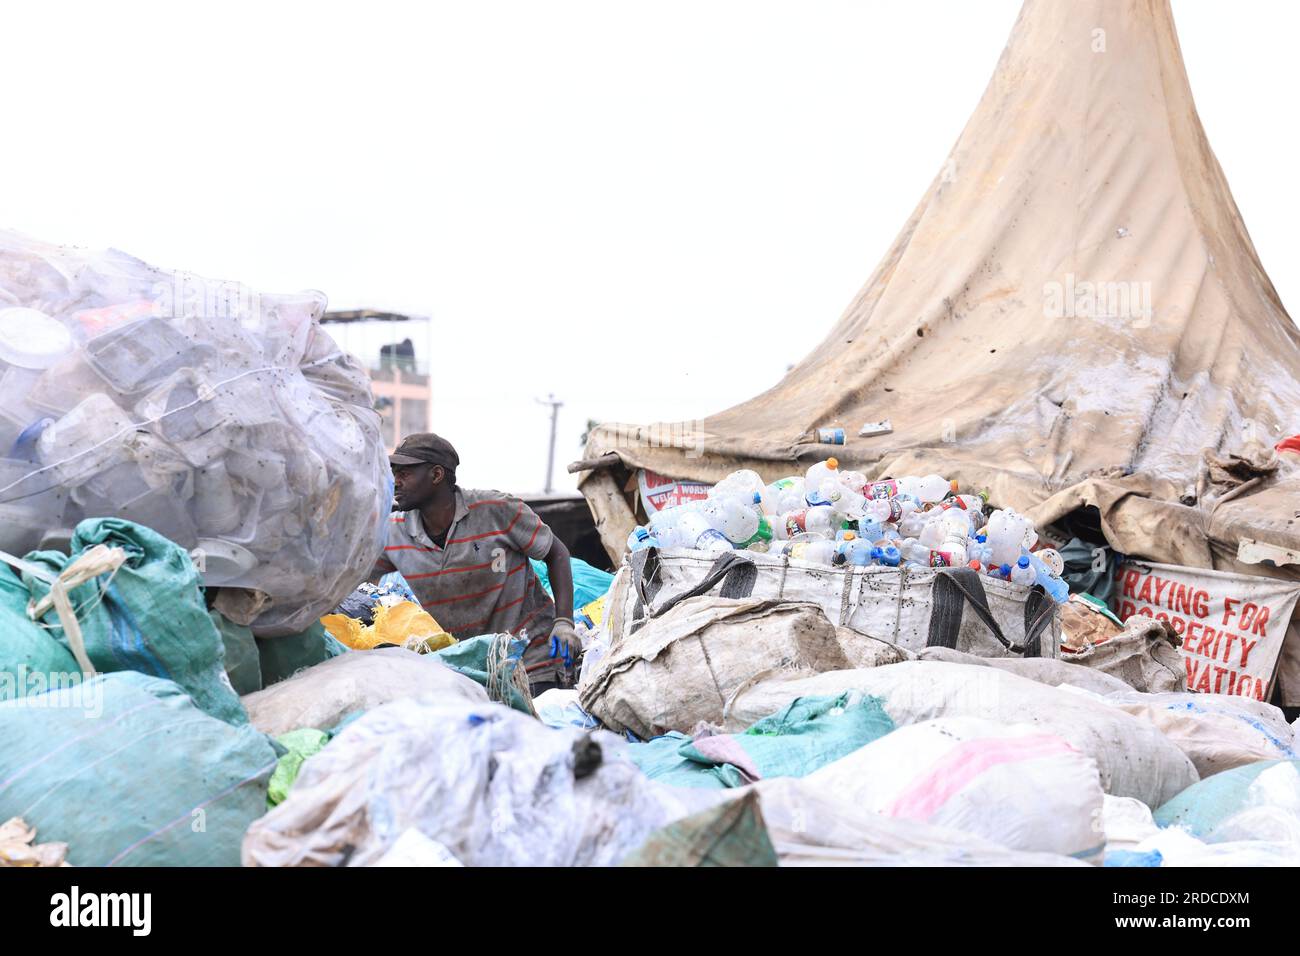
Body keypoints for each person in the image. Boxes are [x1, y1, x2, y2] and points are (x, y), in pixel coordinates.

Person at [371, 432, 579, 692]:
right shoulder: (393, 532)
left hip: (529, 663)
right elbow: (355, 580)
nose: (396, 482)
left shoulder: (497, 511)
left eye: (405, 473)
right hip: (467, 670)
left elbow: (556, 552)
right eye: (393, 473)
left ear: (436, 475)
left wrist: (564, 623)